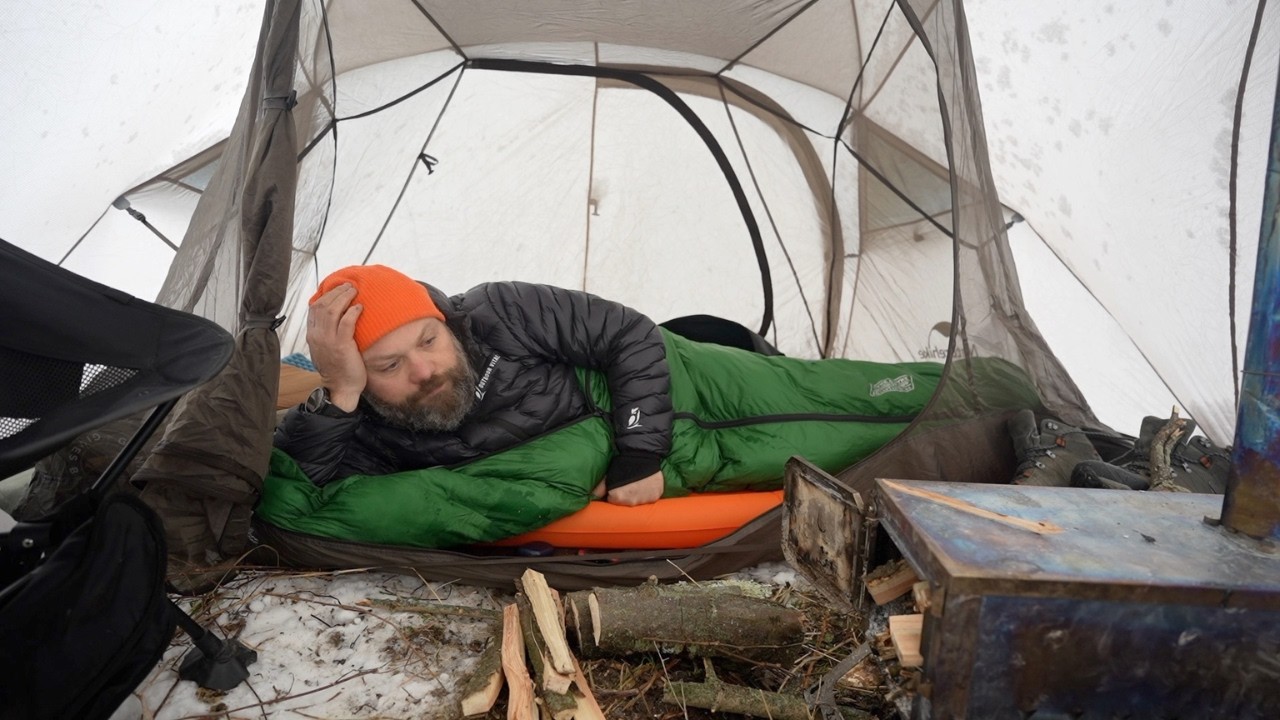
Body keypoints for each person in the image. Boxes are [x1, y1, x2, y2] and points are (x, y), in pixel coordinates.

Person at [273, 264, 673, 506]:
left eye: (428, 341)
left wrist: (639, 451)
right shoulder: (362, 424)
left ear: (444, 322)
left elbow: (629, 334)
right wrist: (340, 392)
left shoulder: (501, 313)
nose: (424, 370)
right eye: (390, 365)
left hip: (658, 398)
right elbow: (293, 493)